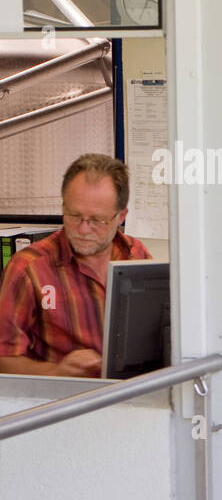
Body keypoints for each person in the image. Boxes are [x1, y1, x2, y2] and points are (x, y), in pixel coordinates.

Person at [0, 154, 151, 377]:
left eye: (98, 220)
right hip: (64, 404)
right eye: (74, 215)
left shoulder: (136, 256)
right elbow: (3, 359)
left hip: (129, 396)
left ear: (121, 216)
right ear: (63, 206)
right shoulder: (29, 268)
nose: (83, 229)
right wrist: (57, 372)